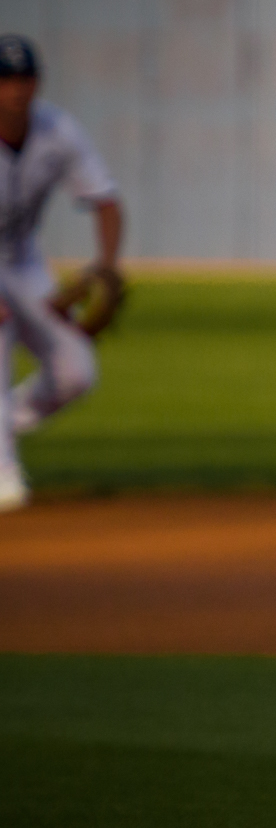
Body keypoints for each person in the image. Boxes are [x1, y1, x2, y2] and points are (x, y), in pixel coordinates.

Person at [0, 34, 122, 512]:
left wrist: (107, 268)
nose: (15, 89)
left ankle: (5, 421)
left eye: (24, 78)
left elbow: (106, 202)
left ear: (38, 84)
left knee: (76, 372)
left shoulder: (58, 131)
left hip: (25, 259)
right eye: (6, 79)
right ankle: (3, 472)